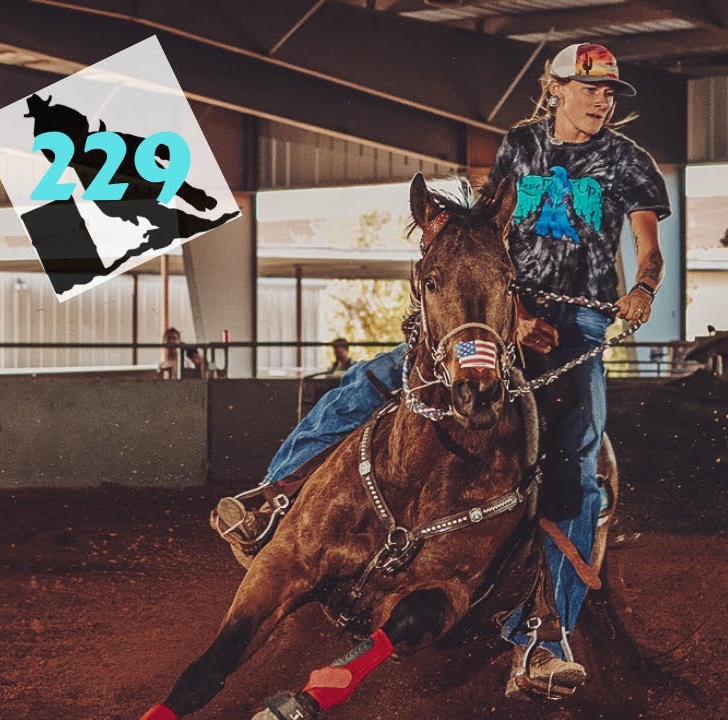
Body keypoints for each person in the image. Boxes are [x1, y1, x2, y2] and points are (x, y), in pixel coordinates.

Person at [214, 42, 666, 697]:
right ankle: (272, 500)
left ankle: (542, 638)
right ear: (555, 89)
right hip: (494, 314)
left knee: (579, 463)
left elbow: (648, 244)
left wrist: (645, 287)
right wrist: (498, 309)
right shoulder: (519, 147)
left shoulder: (629, 162)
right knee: (374, 381)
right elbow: (485, 227)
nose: (604, 101)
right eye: (592, 89)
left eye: (611, 94)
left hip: (575, 332)